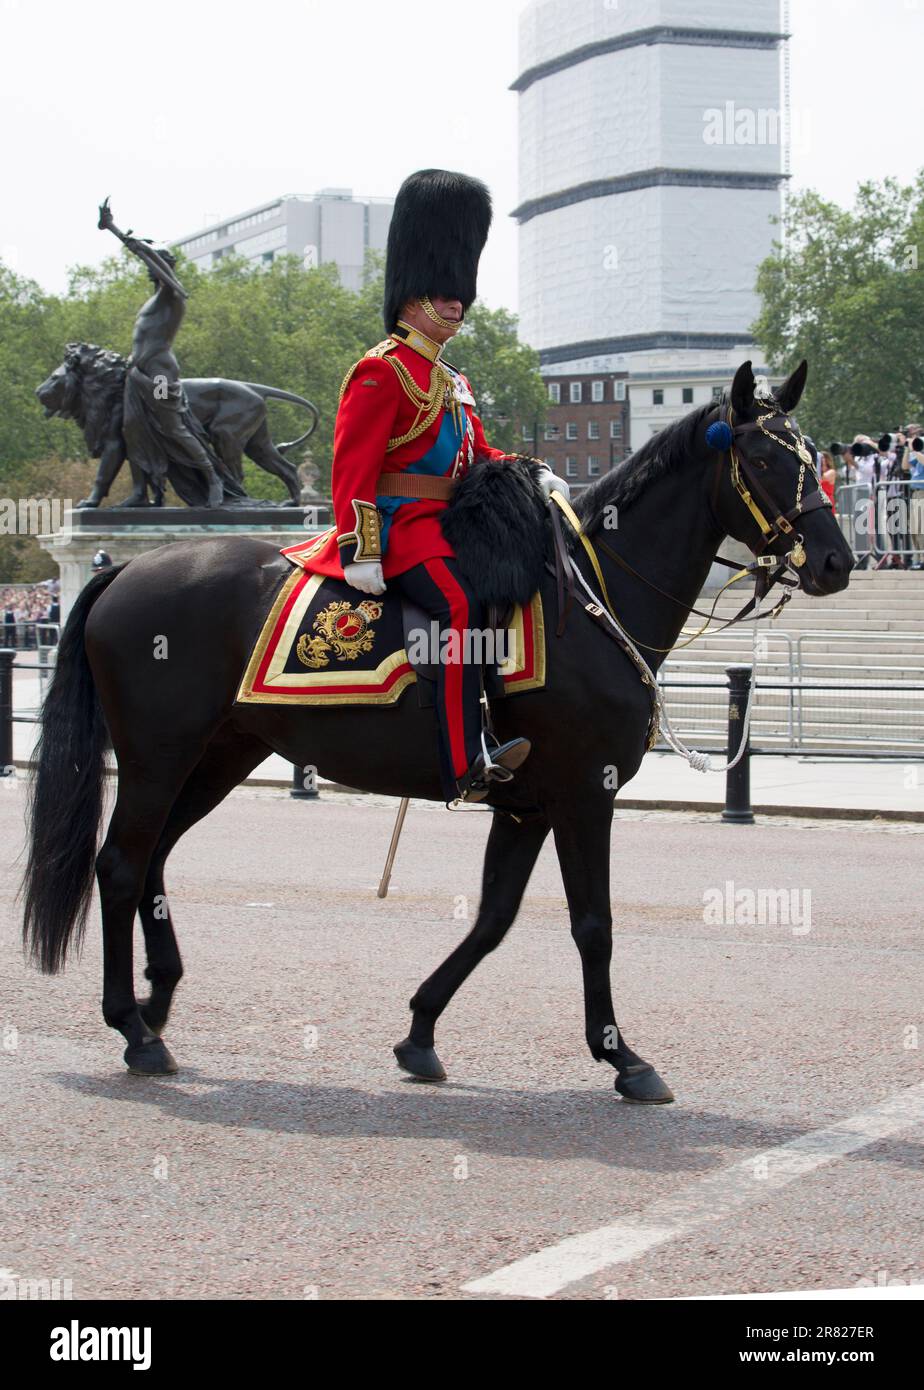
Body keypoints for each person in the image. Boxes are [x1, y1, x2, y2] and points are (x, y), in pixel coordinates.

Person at [293, 169, 569, 803]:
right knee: (457, 607)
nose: (457, 303)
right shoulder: (380, 370)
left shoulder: (452, 379)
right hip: (398, 526)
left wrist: (531, 470)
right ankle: (461, 760)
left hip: (444, 525)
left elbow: (478, 455)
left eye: (460, 293)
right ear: (413, 293)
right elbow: (352, 469)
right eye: (444, 292)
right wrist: (360, 549)